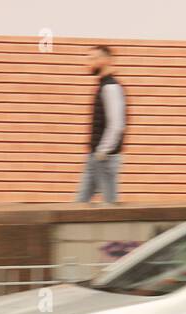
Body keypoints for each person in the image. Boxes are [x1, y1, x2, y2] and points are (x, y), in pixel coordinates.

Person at [75, 45, 126, 204]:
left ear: (105, 60)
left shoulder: (111, 87)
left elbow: (117, 124)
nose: (87, 63)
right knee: (80, 205)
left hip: (104, 158)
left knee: (109, 206)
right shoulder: (104, 86)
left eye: (92, 58)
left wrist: (102, 152)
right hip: (96, 156)